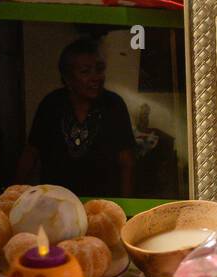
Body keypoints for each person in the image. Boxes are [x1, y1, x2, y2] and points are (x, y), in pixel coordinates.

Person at [17, 37, 136, 196]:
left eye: (99, 69)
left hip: (102, 205)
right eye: (85, 71)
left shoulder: (114, 104)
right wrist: (14, 198)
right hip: (56, 204)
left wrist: (127, 208)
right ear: (67, 78)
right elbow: (31, 153)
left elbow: (126, 162)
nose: (96, 77)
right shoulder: (52, 104)